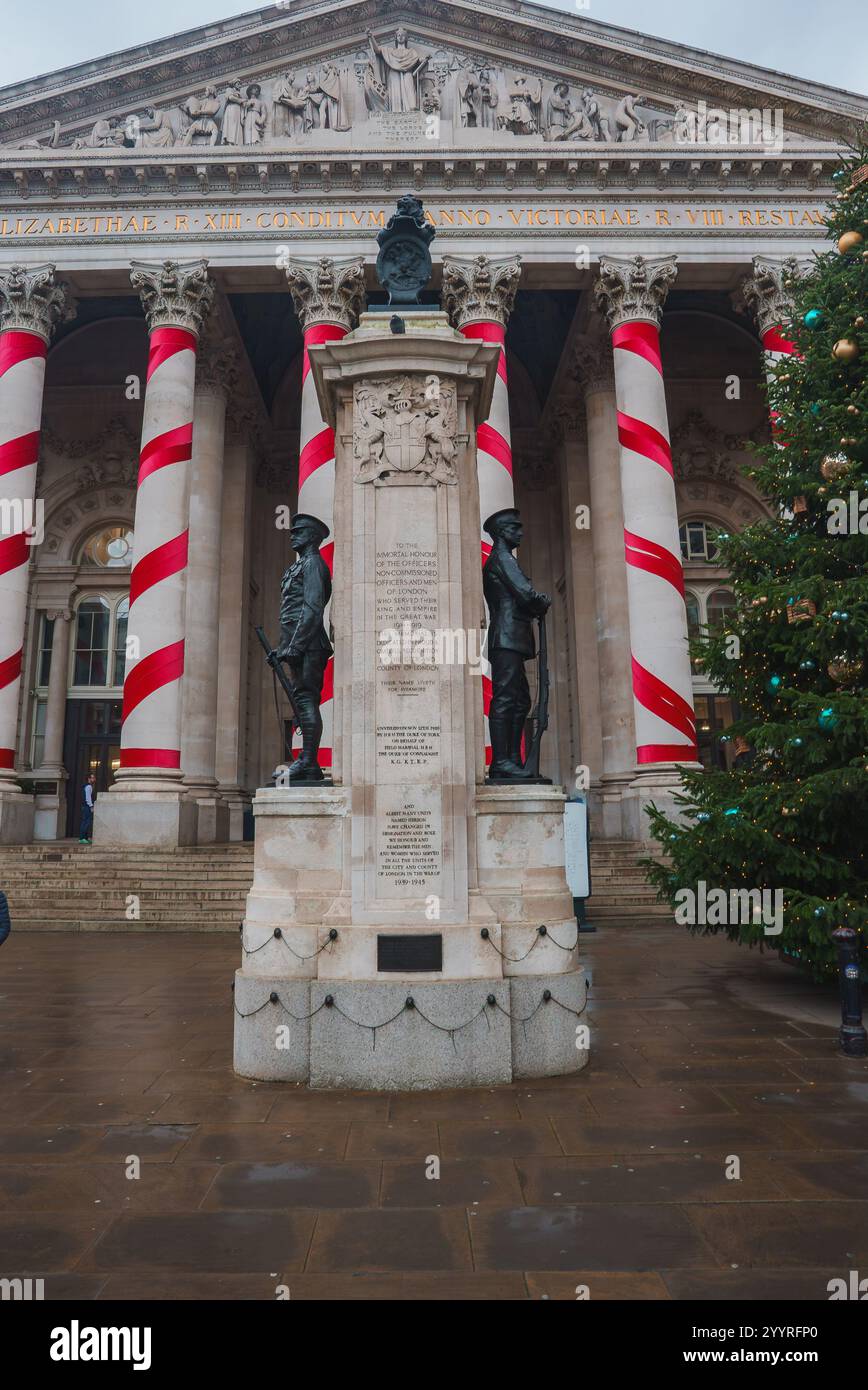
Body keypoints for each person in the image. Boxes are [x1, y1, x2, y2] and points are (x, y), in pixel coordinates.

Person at [482, 508, 551, 779]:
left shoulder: (505, 558)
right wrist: (541, 601)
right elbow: (526, 594)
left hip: (514, 639)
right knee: (506, 697)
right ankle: (502, 761)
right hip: (507, 638)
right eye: (515, 527)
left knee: (520, 700)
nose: (521, 532)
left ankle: (512, 759)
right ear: (501, 532)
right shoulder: (502, 558)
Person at [275, 515, 333, 781]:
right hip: (298, 644)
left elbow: (312, 608)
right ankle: (308, 760)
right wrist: (282, 647)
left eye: (298, 532)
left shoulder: (313, 565)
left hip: (309, 645)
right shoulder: (297, 567)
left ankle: (309, 760)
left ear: (312, 536)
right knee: (302, 699)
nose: (292, 536)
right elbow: (292, 611)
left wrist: (295, 645)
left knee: (306, 699)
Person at [79, 772, 97, 844]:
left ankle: (85, 838)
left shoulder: (87, 786)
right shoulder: (88, 787)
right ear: (89, 779)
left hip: (85, 806)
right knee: (86, 822)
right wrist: (91, 806)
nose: (94, 779)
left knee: (86, 822)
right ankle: (82, 838)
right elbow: (88, 798)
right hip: (87, 806)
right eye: (92, 778)